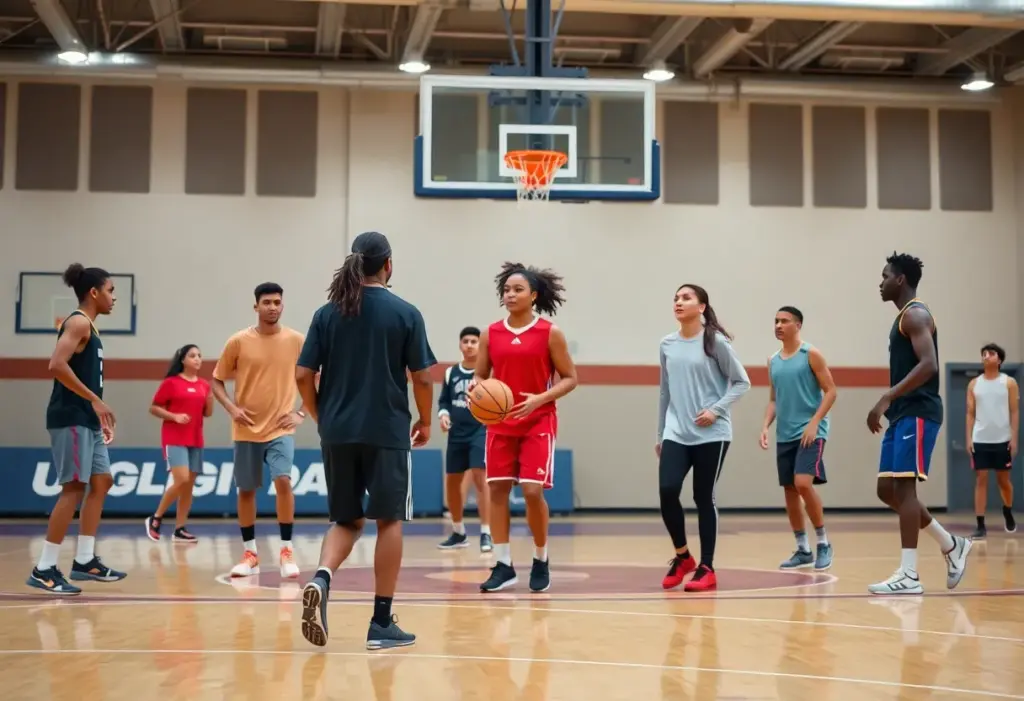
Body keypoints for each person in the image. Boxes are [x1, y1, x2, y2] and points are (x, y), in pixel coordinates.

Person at [295, 231, 436, 651]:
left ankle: (321, 578)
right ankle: (380, 622)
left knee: (346, 520)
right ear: (388, 265)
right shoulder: (405, 312)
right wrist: (425, 420)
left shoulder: (326, 313)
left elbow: (303, 375)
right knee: (388, 520)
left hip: (337, 431)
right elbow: (423, 377)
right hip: (387, 430)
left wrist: (322, 416)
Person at [867, 252, 972, 595]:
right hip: (902, 413)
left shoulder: (915, 314)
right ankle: (950, 544)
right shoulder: (903, 317)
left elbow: (929, 365)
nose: (880, 283)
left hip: (919, 411)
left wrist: (887, 397)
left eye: (884, 276)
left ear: (900, 279)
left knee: (906, 491)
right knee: (888, 490)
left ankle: (909, 575)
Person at [471, 262, 579, 594]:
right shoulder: (491, 333)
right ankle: (503, 565)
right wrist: (477, 390)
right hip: (500, 423)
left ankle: (540, 557)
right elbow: (480, 374)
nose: (510, 294)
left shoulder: (550, 333)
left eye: (518, 290)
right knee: (498, 491)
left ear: (533, 295)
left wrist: (540, 399)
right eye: (506, 290)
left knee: (532, 491)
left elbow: (571, 378)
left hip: (538, 419)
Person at [26, 263, 126, 596]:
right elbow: (56, 364)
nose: (114, 297)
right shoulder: (79, 321)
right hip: (69, 416)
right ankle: (44, 568)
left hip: (85, 418)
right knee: (73, 489)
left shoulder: (91, 328)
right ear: (94, 292)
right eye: (111, 290)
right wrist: (95, 402)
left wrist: (96, 410)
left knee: (103, 481)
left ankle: (85, 560)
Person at [657, 284, 751, 593]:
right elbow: (665, 392)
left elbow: (741, 382)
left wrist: (715, 410)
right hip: (676, 431)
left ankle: (707, 568)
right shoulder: (667, 344)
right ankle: (683, 556)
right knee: (668, 489)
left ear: (701, 307)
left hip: (713, 433)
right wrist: (661, 433)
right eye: (676, 298)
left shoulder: (715, 342)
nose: (678, 302)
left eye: (686, 298)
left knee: (702, 497)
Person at [211, 282, 307, 580]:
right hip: (246, 429)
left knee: (283, 481)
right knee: (247, 490)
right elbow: (216, 380)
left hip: (281, 429)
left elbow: (316, 379)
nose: (273, 307)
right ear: (256, 306)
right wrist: (231, 408)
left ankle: (286, 550)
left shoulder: (296, 340)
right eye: (266, 302)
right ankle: (250, 554)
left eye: (277, 301)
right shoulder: (238, 341)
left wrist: (300, 413)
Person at [760, 306, 837, 571]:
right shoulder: (773, 361)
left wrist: (814, 423)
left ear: (798, 325)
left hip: (810, 432)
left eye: (784, 321)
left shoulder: (810, 354)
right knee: (790, 491)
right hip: (785, 434)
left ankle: (824, 543)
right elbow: (773, 399)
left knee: (803, 483)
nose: (778, 325)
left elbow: (831, 392)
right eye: (776, 321)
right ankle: (803, 549)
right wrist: (765, 427)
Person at [145, 344, 213, 543]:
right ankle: (156, 517)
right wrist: (173, 416)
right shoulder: (171, 383)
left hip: (195, 438)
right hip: (174, 437)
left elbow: (207, 413)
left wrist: (211, 397)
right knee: (181, 479)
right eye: (192, 355)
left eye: (200, 355)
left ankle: (180, 528)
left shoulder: (204, 385)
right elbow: (154, 408)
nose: (197, 359)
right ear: (182, 360)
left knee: (188, 486)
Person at [437, 326, 493, 553]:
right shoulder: (451, 373)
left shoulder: (487, 373)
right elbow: (443, 401)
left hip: (480, 430)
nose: (469, 345)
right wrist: (443, 415)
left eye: (474, 341)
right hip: (456, 433)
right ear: (460, 345)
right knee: (452, 481)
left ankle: (486, 532)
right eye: (466, 341)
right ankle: (458, 531)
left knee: (481, 476)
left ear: (480, 346)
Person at [966, 342, 1018, 538]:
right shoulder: (974, 384)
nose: (986, 356)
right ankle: (980, 524)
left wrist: (1014, 437)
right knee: (981, 479)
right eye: (984, 353)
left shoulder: (1009, 383)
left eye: (991, 353)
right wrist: (969, 438)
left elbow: (1014, 411)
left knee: (1003, 481)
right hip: (980, 439)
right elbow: (970, 413)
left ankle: (1007, 509)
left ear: (999, 360)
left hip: (1002, 439)